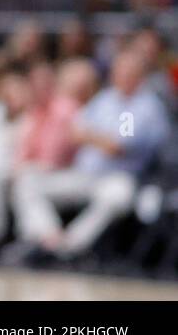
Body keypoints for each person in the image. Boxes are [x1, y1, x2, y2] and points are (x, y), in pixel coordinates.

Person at [10, 47, 170, 260]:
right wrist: (97, 138)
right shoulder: (105, 98)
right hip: (84, 175)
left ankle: (72, 247)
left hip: (120, 178)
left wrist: (92, 137)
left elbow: (117, 145)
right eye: (118, 70)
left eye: (127, 71)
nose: (120, 75)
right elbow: (75, 132)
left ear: (140, 75)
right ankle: (51, 238)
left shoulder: (145, 106)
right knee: (27, 181)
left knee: (117, 197)